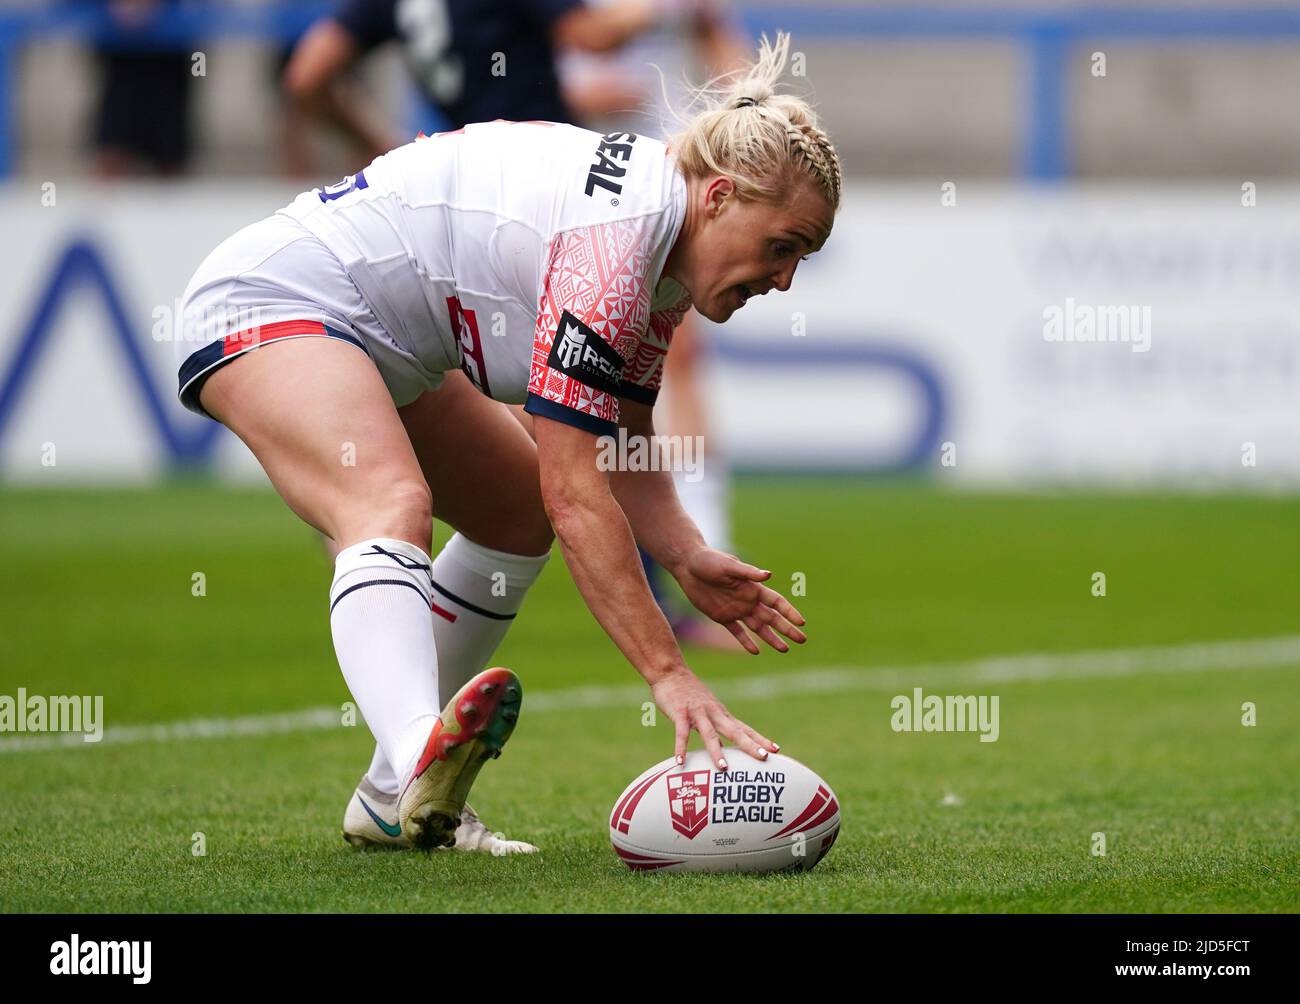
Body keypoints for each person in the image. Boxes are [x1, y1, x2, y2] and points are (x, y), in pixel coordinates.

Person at [173, 33, 841, 854]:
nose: (784, 280)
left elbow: (622, 440)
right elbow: (578, 490)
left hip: (382, 340)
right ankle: (420, 750)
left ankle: (393, 794)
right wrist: (669, 674)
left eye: (802, 259)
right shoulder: (622, 238)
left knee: (516, 514)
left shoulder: (661, 252)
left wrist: (686, 552)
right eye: (782, 247)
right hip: (273, 298)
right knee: (388, 501)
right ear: (720, 197)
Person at [281, 0, 692, 165]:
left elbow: (306, 77)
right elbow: (593, 36)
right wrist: (669, 8)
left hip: (463, 182)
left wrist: (377, 144)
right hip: (551, 169)